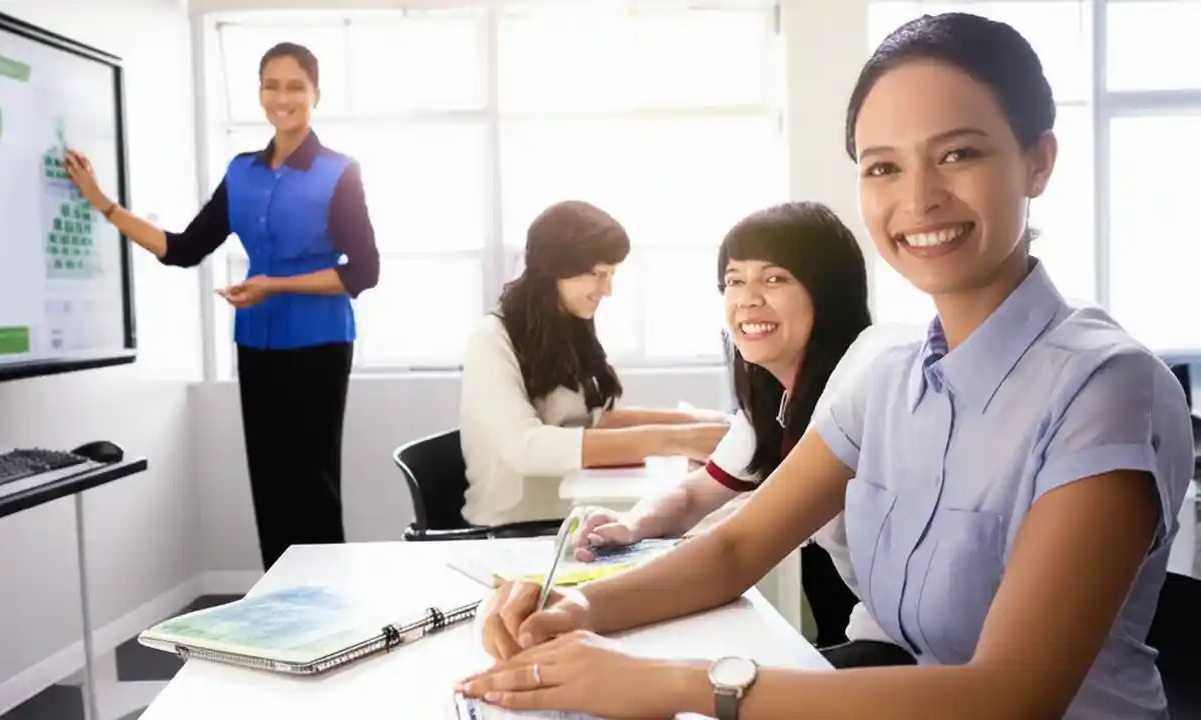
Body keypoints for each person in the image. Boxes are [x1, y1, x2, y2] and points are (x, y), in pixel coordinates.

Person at [462, 13, 1194, 719]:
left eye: (958, 154)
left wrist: (673, 686)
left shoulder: (1105, 387)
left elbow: (1006, 698)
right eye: (883, 166)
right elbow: (737, 547)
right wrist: (576, 608)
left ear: (1038, 161)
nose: (917, 197)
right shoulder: (889, 373)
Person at [63, 42, 379, 570]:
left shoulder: (339, 172)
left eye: (295, 86)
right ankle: (282, 615)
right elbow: (183, 249)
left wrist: (275, 285)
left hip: (320, 343)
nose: (283, 98)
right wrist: (102, 203)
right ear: (259, 93)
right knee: (270, 485)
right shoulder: (242, 173)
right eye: (272, 85)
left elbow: (362, 271)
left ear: (315, 94)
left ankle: (332, 616)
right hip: (256, 343)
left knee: (312, 484)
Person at [569, 201, 918, 657]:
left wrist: (573, 608)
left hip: (931, 650)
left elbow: (734, 550)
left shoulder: (877, 361)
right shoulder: (774, 400)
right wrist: (632, 524)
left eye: (775, 278)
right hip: (886, 630)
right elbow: (695, 494)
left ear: (829, 291)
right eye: (734, 280)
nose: (747, 298)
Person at [460, 200, 729, 527]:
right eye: (599, 274)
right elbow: (526, 448)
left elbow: (590, 420)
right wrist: (675, 440)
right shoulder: (491, 339)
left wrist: (697, 421)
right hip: (515, 528)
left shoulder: (564, 326)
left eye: (611, 274)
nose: (608, 290)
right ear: (556, 268)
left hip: (567, 511)